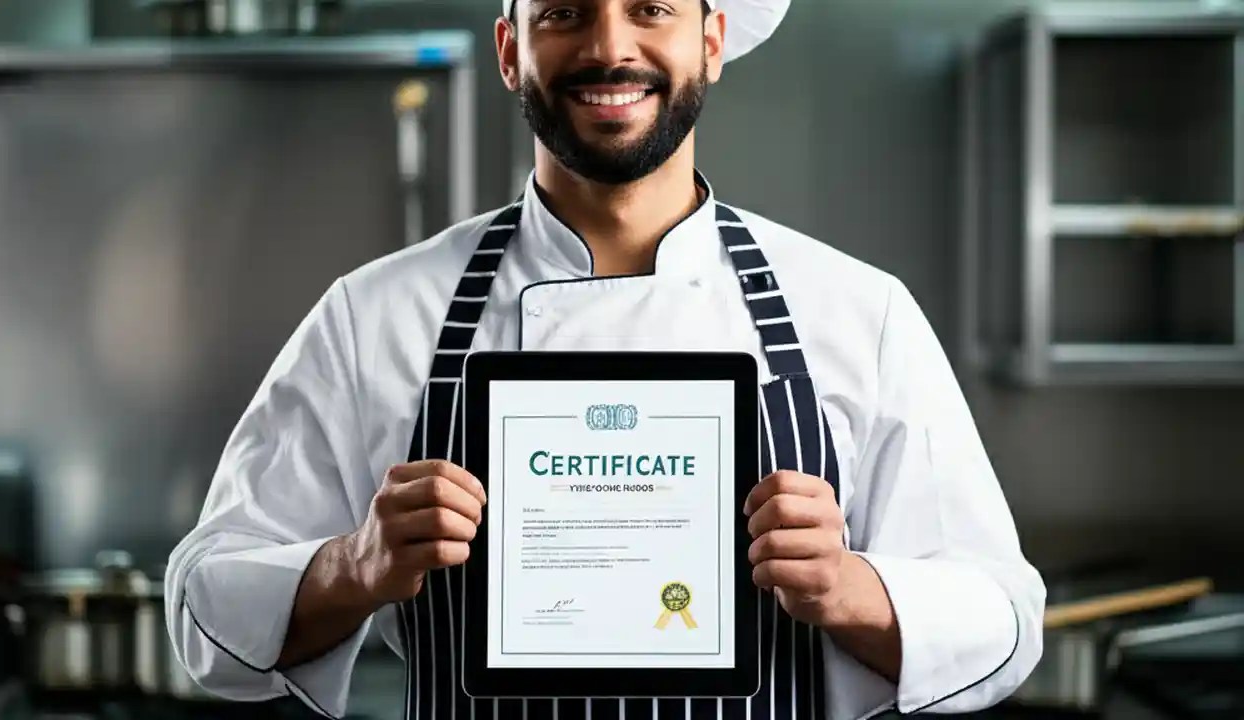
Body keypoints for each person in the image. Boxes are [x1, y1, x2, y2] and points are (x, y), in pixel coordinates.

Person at [164, 0, 1046, 718]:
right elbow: (206, 610)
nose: (609, 46)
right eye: (565, 13)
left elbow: (1003, 620)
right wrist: (354, 566)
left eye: (650, 9)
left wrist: (851, 588)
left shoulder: (857, 311)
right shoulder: (378, 315)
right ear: (511, 50)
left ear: (710, 40)